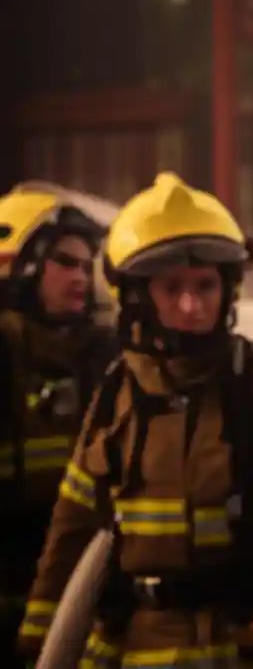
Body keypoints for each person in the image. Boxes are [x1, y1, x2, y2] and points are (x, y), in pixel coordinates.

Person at [18, 172, 253, 669]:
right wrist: (36, 646)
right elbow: (70, 534)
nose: (192, 305)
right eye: (171, 288)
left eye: (204, 286)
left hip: (235, 649)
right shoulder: (117, 394)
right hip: (126, 647)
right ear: (135, 296)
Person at [0, 186, 116, 665]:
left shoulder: (106, 357)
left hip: (81, 588)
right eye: (66, 262)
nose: (81, 278)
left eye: (87, 267)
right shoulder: (7, 354)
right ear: (21, 265)